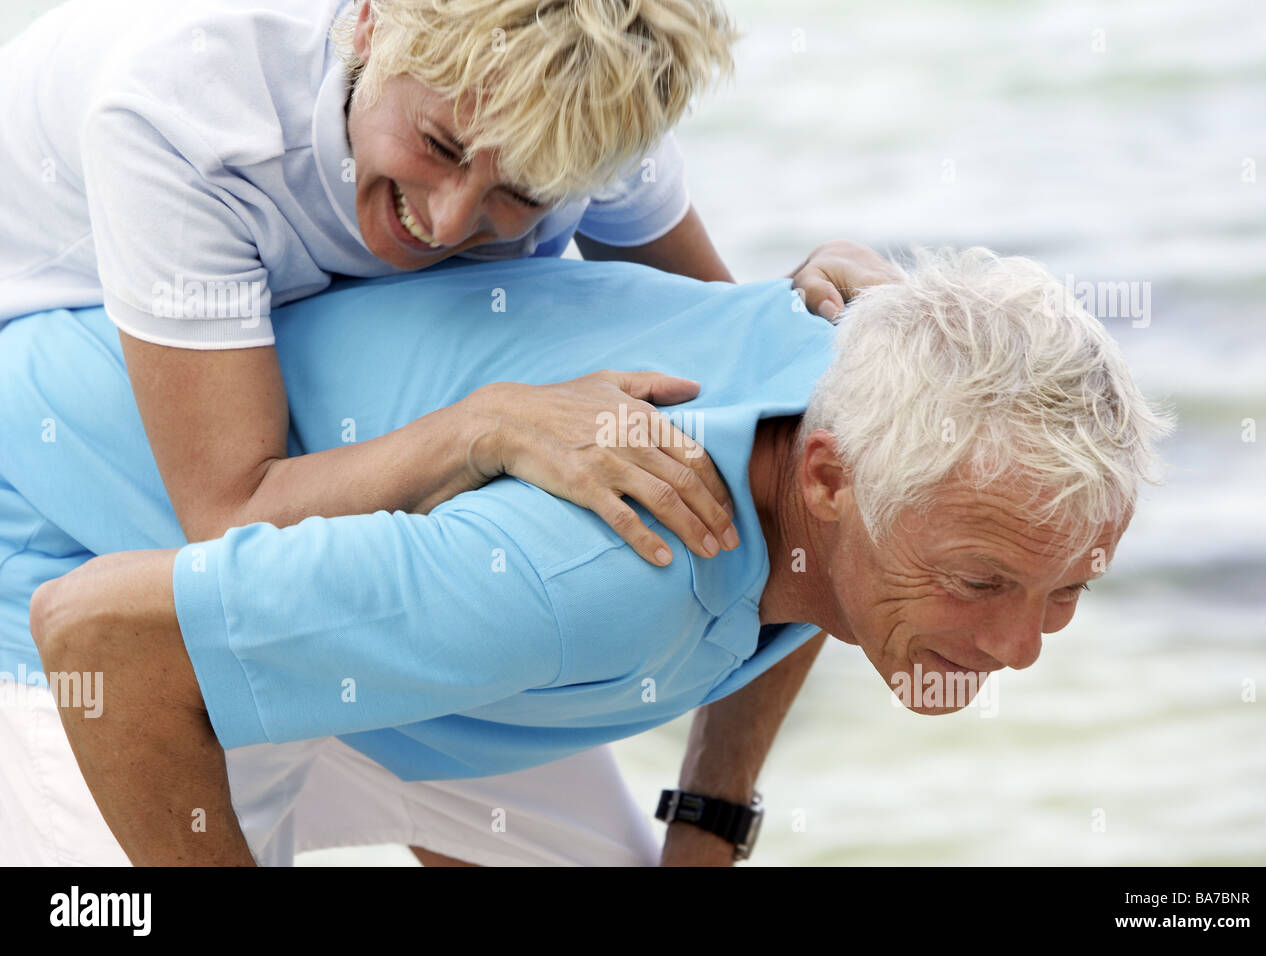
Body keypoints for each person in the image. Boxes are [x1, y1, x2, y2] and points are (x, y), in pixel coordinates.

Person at [0, 0, 894, 865]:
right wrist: (489, 423)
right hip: (78, 513)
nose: (449, 220)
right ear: (371, 27)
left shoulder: (579, 124)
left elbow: (757, 415)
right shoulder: (185, 118)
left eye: (520, 195)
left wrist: (809, 314)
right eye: (439, 147)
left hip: (368, 559)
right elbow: (231, 506)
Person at [25, 247, 1175, 865]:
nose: (1019, 645)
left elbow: (831, 584)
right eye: (981, 583)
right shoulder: (593, 580)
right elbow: (101, 634)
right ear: (829, 478)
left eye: (1068, 586)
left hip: (385, 612)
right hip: (69, 582)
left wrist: (707, 826)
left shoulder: (850, 371)